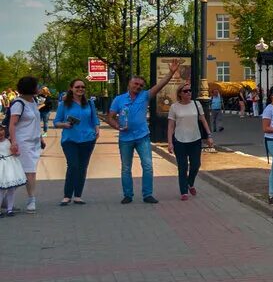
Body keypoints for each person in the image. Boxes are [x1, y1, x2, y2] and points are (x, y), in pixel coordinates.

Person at [106, 59, 181, 204]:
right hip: (125, 138)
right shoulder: (119, 99)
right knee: (126, 168)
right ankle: (128, 195)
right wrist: (118, 127)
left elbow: (160, 85)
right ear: (129, 84)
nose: (138, 87)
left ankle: (148, 194)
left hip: (142, 137)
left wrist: (170, 73)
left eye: (141, 85)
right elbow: (110, 117)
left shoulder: (145, 96)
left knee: (147, 166)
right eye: (136, 84)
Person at [53, 78, 99, 206]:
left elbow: (94, 119)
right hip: (70, 139)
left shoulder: (89, 103)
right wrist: (64, 124)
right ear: (71, 88)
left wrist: (97, 129)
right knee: (73, 165)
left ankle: (78, 195)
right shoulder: (64, 104)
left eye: (83, 87)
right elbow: (56, 122)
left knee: (82, 167)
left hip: (88, 139)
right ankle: (67, 195)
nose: (80, 89)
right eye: (77, 87)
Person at [167, 84, 214, 200]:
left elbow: (203, 120)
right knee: (182, 167)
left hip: (195, 139)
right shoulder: (174, 107)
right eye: (185, 91)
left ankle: (190, 182)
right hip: (180, 140)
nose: (188, 93)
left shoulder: (196, 104)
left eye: (190, 90)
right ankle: (184, 192)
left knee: (196, 165)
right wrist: (170, 142)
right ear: (180, 94)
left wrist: (209, 135)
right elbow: (171, 126)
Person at [4, 76, 43, 212]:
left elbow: (36, 121)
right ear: (30, 87)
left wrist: (40, 138)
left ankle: (4, 200)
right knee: (29, 172)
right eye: (36, 86)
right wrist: (14, 142)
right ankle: (31, 200)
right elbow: (12, 124)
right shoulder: (18, 103)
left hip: (34, 142)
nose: (38, 88)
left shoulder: (33, 101)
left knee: (20, 172)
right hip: (22, 142)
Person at [0, 120, 25, 216]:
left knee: (11, 189)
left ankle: (9, 209)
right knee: (1, 190)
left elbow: (16, 153)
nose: (1, 134)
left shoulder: (9, 141)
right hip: (1, 169)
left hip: (11, 167)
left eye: (2, 131)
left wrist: (16, 152)